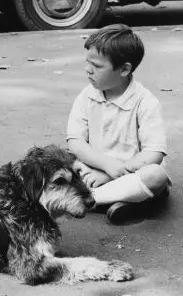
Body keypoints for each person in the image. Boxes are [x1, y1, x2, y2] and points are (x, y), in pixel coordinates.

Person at [65, 24, 171, 225]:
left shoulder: (145, 102)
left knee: (156, 176)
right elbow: (76, 141)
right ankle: (124, 202)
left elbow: (154, 154)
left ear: (124, 69)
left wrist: (116, 171)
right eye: (87, 62)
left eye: (96, 66)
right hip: (94, 169)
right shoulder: (87, 96)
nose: (88, 69)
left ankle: (92, 199)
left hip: (131, 173)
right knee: (55, 161)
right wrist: (105, 166)